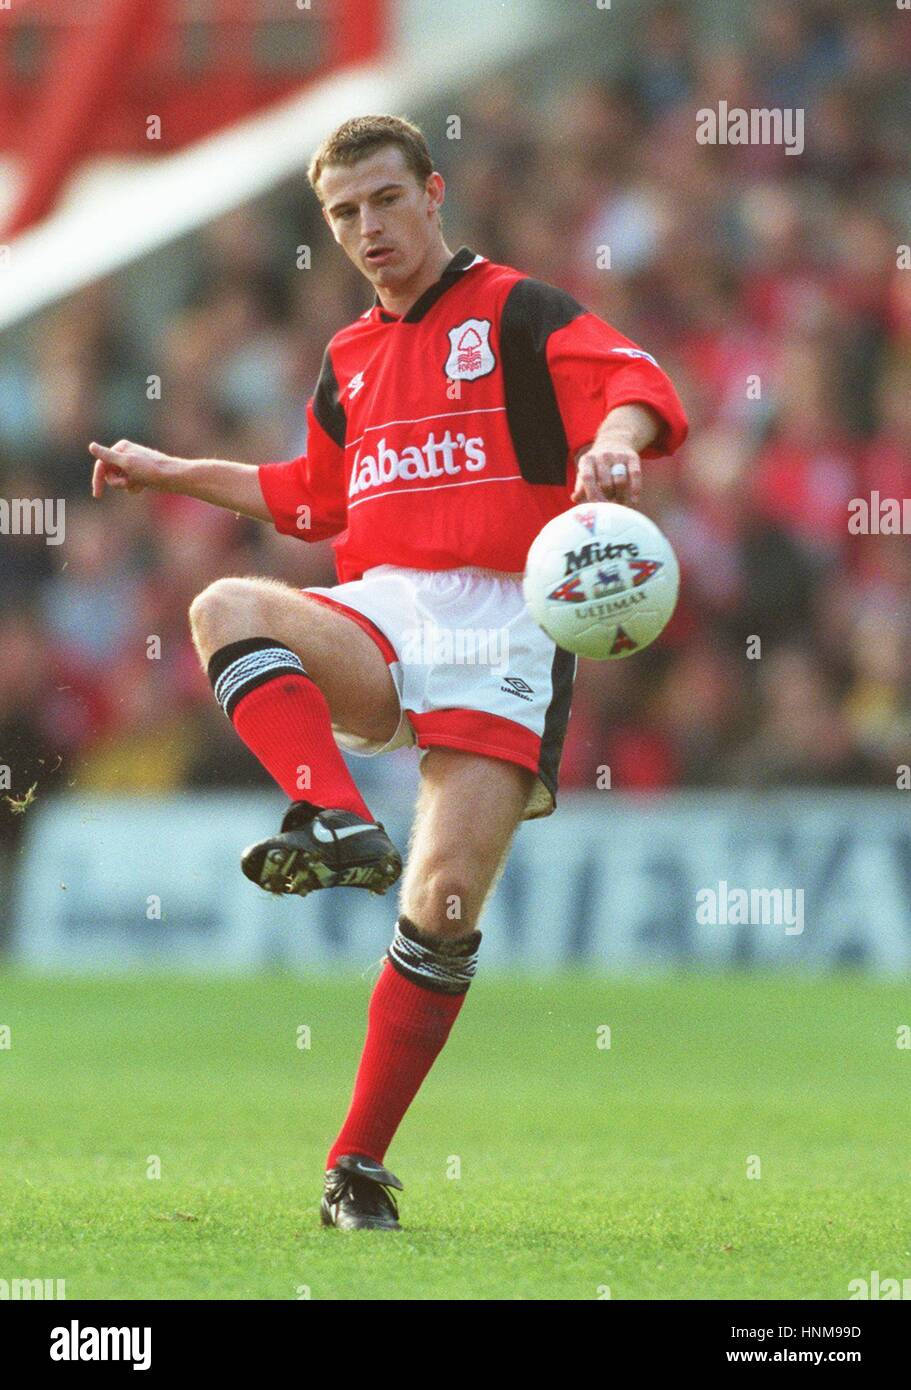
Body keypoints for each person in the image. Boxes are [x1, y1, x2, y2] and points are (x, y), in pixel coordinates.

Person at [89, 114, 688, 1231]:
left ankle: (355, 1168)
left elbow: (634, 382)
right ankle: (331, 814)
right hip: (388, 611)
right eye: (343, 212)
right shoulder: (347, 360)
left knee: (444, 902)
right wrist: (169, 471)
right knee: (224, 605)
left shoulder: (515, 309)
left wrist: (612, 443)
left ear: (432, 193)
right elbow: (309, 498)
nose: (367, 227)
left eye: (384, 199)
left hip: (510, 620)